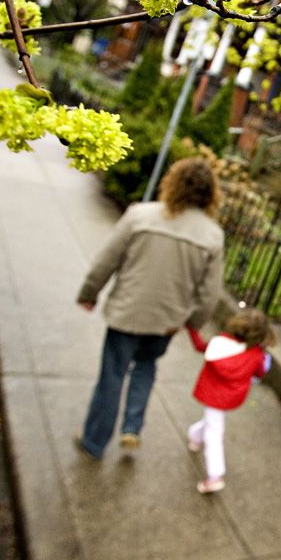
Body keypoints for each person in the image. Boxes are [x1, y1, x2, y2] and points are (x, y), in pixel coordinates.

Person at [75, 158, 224, 459]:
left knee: (113, 374)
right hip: (167, 321)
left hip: (126, 314)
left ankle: (94, 441)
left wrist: (90, 291)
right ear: (211, 195)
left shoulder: (140, 216)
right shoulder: (212, 236)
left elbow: (107, 259)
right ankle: (132, 427)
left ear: (172, 183)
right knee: (145, 367)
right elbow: (210, 295)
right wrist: (192, 321)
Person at [186, 309, 274, 494]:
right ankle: (194, 436)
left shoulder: (219, 344)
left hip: (213, 394)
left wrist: (191, 328)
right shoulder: (256, 354)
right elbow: (259, 373)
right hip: (232, 397)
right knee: (213, 422)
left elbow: (200, 346)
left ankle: (215, 475)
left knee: (214, 431)